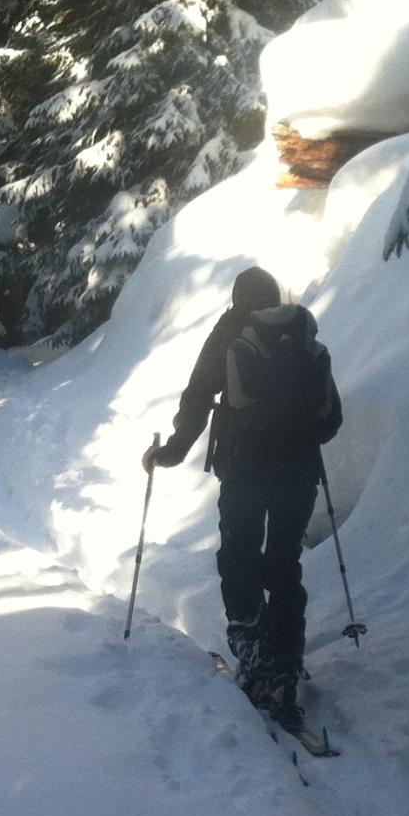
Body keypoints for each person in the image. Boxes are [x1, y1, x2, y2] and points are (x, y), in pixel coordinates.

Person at [143, 265, 342, 728]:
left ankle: (253, 655)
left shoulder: (231, 332)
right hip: (298, 474)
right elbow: (330, 421)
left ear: (238, 300)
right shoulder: (303, 335)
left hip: (246, 470)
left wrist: (169, 453)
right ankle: (287, 663)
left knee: (239, 557)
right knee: (283, 564)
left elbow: (196, 399)